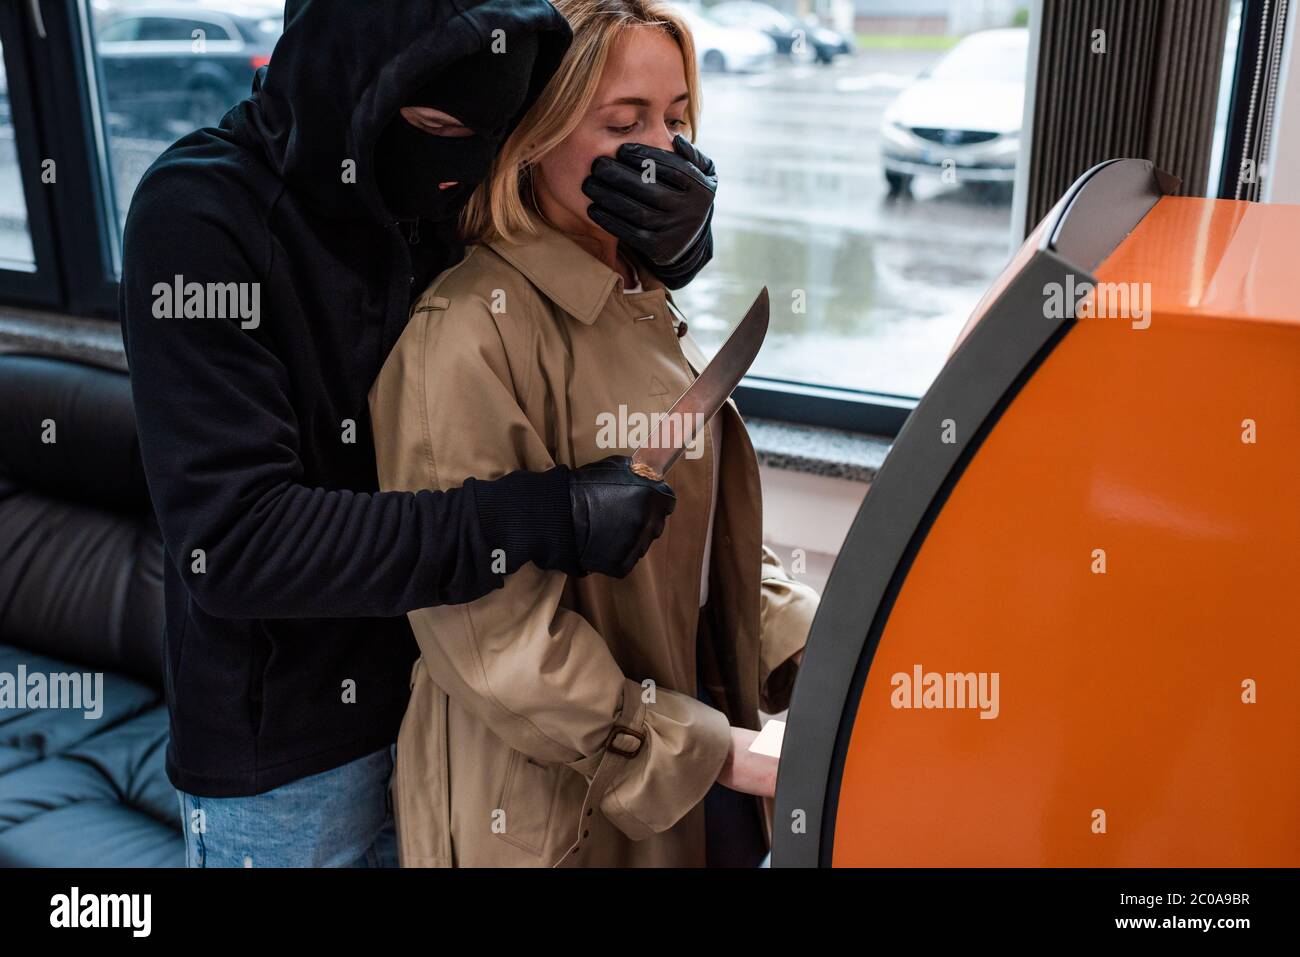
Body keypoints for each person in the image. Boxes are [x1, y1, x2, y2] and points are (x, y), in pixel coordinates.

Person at [118, 0, 717, 868]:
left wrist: (675, 249)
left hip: (454, 713)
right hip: (291, 760)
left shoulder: (453, 176)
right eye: (434, 126)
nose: (461, 166)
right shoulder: (198, 219)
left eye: (485, 133)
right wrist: (545, 517)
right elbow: (238, 543)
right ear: (344, 77)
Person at [370, 0, 820, 868]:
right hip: (543, 808)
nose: (662, 149)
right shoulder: (466, 333)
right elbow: (491, 638)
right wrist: (696, 748)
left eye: (677, 119)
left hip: (675, 769)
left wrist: (824, 643)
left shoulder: (638, 293)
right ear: (536, 135)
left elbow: (698, 536)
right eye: (626, 122)